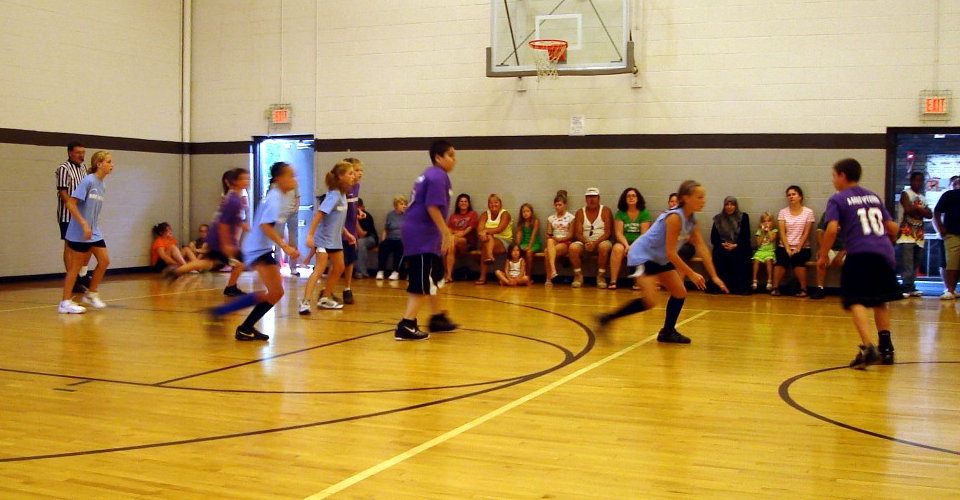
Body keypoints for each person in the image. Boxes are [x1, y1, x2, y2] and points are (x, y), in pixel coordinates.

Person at [597, 180, 728, 343]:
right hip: (641, 257)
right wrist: (691, 273)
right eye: (699, 197)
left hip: (658, 258)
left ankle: (667, 331)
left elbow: (702, 248)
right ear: (686, 198)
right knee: (651, 301)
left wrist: (714, 276)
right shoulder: (674, 218)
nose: (704, 200)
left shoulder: (692, 221)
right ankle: (607, 318)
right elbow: (671, 253)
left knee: (680, 292)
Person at [818, 158, 901, 368]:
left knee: (856, 300)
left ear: (843, 176)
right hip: (883, 254)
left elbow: (830, 229)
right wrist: (882, 242)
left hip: (860, 254)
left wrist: (823, 255)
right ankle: (887, 349)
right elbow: (893, 228)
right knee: (880, 300)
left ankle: (868, 347)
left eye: (834, 176)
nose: (833, 180)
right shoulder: (873, 197)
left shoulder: (838, 199)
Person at [210, 162, 300, 341]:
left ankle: (243, 326)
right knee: (275, 292)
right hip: (257, 250)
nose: (294, 180)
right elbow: (265, 225)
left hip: (259, 248)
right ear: (279, 179)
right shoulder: (275, 198)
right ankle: (229, 317)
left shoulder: (279, 196)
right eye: (290, 175)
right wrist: (285, 247)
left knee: (275, 292)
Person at [394, 139, 459, 341]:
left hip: (423, 233)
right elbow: (432, 207)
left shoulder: (432, 174)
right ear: (438, 158)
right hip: (420, 234)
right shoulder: (438, 176)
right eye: (450, 155)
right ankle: (406, 324)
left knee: (434, 276)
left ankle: (437, 317)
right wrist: (446, 233)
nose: (454, 159)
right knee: (422, 280)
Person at [168, 168, 248, 297]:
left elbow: (232, 219)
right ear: (234, 182)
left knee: (210, 261)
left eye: (248, 178)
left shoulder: (234, 198)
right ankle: (231, 287)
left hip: (216, 238)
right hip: (220, 239)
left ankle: (177, 271)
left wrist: (245, 226)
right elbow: (223, 224)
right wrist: (227, 244)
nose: (247, 181)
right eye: (244, 178)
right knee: (241, 261)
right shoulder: (234, 200)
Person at [58, 150, 114, 314]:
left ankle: (91, 293)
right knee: (75, 268)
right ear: (99, 164)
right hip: (79, 232)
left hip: (94, 231)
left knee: (104, 261)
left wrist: (91, 226)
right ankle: (65, 302)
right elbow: (71, 204)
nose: (112, 165)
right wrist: (83, 224)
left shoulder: (102, 184)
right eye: (109, 162)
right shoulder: (88, 181)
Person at [299, 161, 357, 313]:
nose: (354, 176)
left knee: (339, 268)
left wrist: (347, 233)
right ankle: (305, 302)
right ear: (340, 176)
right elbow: (319, 215)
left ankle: (325, 298)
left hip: (335, 240)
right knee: (319, 269)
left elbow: (336, 219)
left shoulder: (343, 195)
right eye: (350, 173)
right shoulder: (334, 195)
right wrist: (310, 235)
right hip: (323, 240)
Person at [56, 141, 92, 293]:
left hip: (83, 213)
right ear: (70, 153)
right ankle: (73, 279)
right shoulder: (63, 169)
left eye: (83, 152)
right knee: (70, 247)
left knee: (89, 243)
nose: (82, 156)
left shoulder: (83, 168)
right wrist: (72, 207)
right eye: (78, 153)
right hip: (68, 214)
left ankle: (82, 273)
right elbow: (63, 192)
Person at [771, 185, 815, 297]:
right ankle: (775, 288)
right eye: (789, 195)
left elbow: (806, 233)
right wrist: (787, 248)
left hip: (803, 247)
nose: (791, 197)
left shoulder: (808, 212)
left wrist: (798, 248)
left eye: (794, 194)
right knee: (781, 258)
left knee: (798, 259)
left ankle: (803, 289)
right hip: (785, 245)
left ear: (800, 197)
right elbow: (782, 232)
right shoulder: (783, 212)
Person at [895, 171, 932, 298]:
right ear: (911, 181)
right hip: (906, 232)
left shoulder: (922, 197)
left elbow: (930, 214)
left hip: (919, 234)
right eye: (916, 180)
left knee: (916, 261)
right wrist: (921, 210)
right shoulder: (906, 194)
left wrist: (918, 209)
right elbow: (908, 210)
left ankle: (911, 286)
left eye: (921, 180)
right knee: (907, 261)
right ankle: (905, 286)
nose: (918, 183)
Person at [569, 187, 614, 288]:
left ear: (599, 198)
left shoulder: (606, 211)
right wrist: (586, 242)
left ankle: (601, 276)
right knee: (573, 248)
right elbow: (578, 233)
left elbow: (608, 232)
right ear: (585, 199)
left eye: (594, 197)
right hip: (585, 242)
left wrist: (595, 243)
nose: (591, 199)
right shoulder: (580, 212)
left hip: (602, 241)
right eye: (589, 197)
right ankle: (578, 275)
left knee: (604, 247)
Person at [609, 187, 652, 290]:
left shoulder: (644, 213)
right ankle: (613, 281)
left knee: (639, 250)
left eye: (633, 196)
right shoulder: (620, 213)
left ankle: (637, 282)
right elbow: (619, 233)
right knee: (617, 249)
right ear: (624, 199)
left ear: (638, 198)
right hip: (624, 242)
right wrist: (627, 246)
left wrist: (633, 246)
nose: (631, 198)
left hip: (639, 242)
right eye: (628, 196)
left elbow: (644, 235)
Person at [708, 196, 752, 295]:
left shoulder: (743, 217)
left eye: (732, 204)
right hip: (723, 246)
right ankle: (718, 286)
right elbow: (713, 237)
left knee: (741, 254)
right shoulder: (718, 219)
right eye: (727, 204)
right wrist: (723, 244)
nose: (729, 207)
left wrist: (735, 245)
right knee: (718, 254)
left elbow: (746, 236)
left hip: (738, 246)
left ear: (736, 206)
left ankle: (741, 287)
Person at [338, 157, 363, 303]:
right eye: (356, 171)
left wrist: (358, 212)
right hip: (340, 232)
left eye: (361, 170)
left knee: (350, 261)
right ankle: (326, 290)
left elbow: (351, 206)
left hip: (351, 231)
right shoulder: (341, 189)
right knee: (338, 264)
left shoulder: (357, 186)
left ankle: (347, 289)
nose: (360, 173)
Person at [475, 194, 512, 285]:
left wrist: (486, 231)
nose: (493, 204)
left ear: (500, 204)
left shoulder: (505, 214)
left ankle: (482, 277)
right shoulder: (485, 214)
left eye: (496, 202)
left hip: (504, 241)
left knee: (486, 243)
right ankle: (490, 256)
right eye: (491, 203)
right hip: (486, 240)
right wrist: (483, 234)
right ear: (488, 205)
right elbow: (479, 229)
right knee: (487, 240)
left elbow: (500, 228)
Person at [934, 173, 960, 300]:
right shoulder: (949, 195)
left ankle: (952, 289)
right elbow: (937, 212)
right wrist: (940, 228)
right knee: (952, 263)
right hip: (952, 233)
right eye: (955, 183)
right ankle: (950, 289)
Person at [444, 193, 479, 282]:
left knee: (451, 240)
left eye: (465, 201)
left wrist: (457, 233)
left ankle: (447, 274)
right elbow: (448, 229)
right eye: (461, 201)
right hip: (454, 242)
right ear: (458, 204)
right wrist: (455, 233)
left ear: (468, 203)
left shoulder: (472, 214)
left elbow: (468, 230)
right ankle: (448, 275)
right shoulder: (453, 216)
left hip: (467, 243)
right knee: (448, 247)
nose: (463, 203)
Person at [544, 190, 575, 285]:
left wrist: (560, 239)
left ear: (565, 205)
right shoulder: (551, 218)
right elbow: (549, 234)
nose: (557, 207)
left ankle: (549, 278)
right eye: (556, 205)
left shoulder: (571, 217)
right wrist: (551, 237)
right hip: (554, 241)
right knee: (549, 242)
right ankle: (553, 271)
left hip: (565, 242)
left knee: (547, 252)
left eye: (560, 205)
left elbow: (571, 235)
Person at [811, 213, 845, 299]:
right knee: (821, 260)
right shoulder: (828, 214)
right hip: (829, 247)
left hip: (846, 249)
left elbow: (855, 238)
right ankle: (820, 288)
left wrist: (842, 253)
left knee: (855, 261)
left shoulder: (854, 214)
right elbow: (820, 232)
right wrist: (824, 251)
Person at [376, 195, 406, 281]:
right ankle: (380, 271)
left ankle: (396, 272)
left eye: (405, 204)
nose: (404, 206)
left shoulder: (407, 216)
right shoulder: (390, 215)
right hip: (390, 238)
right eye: (402, 204)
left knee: (400, 249)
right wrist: (383, 240)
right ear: (396, 205)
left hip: (401, 240)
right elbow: (386, 229)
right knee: (383, 247)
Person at [514, 203, 542, 280]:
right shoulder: (521, 223)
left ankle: (528, 276)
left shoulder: (535, 221)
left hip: (534, 243)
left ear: (531, 212)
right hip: (524, 243)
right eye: (523, 212)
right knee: (515, 252)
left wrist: (529, 246)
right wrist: (518, 246)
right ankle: (517, 274)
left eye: (528, 211)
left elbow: (533, 235)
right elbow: (518, 236)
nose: (525, 213)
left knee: (528, 252)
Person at [751, 212, 778, 291]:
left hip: (770, 251)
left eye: (768, 221)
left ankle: (769, 280)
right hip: (760, 251)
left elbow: (772, 239)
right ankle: (754, 280)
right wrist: (762, 232)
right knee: (756, 261)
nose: (766, 223)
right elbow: (758, 244)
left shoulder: (774, 231)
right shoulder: (759, 231)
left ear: (772, 222)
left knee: (769, 261)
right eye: (764, 221)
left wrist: (768, 230)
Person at [354, 198, 379, 278]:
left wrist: (355, 221)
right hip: (354, 239)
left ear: (361, 207)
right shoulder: (348, 217)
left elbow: (362, 234)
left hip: (370, 238)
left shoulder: (366, 217)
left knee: (361, 243)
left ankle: (361, 272)